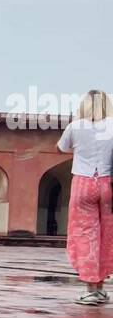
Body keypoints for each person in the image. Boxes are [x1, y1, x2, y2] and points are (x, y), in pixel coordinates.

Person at [57, 89, 113, 306]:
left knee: (85, 235)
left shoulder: (75, 126)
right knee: (106, 235)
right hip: (108, 183)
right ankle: (100, 288)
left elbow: (62, 148)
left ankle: (90, 289)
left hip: (83, 182)